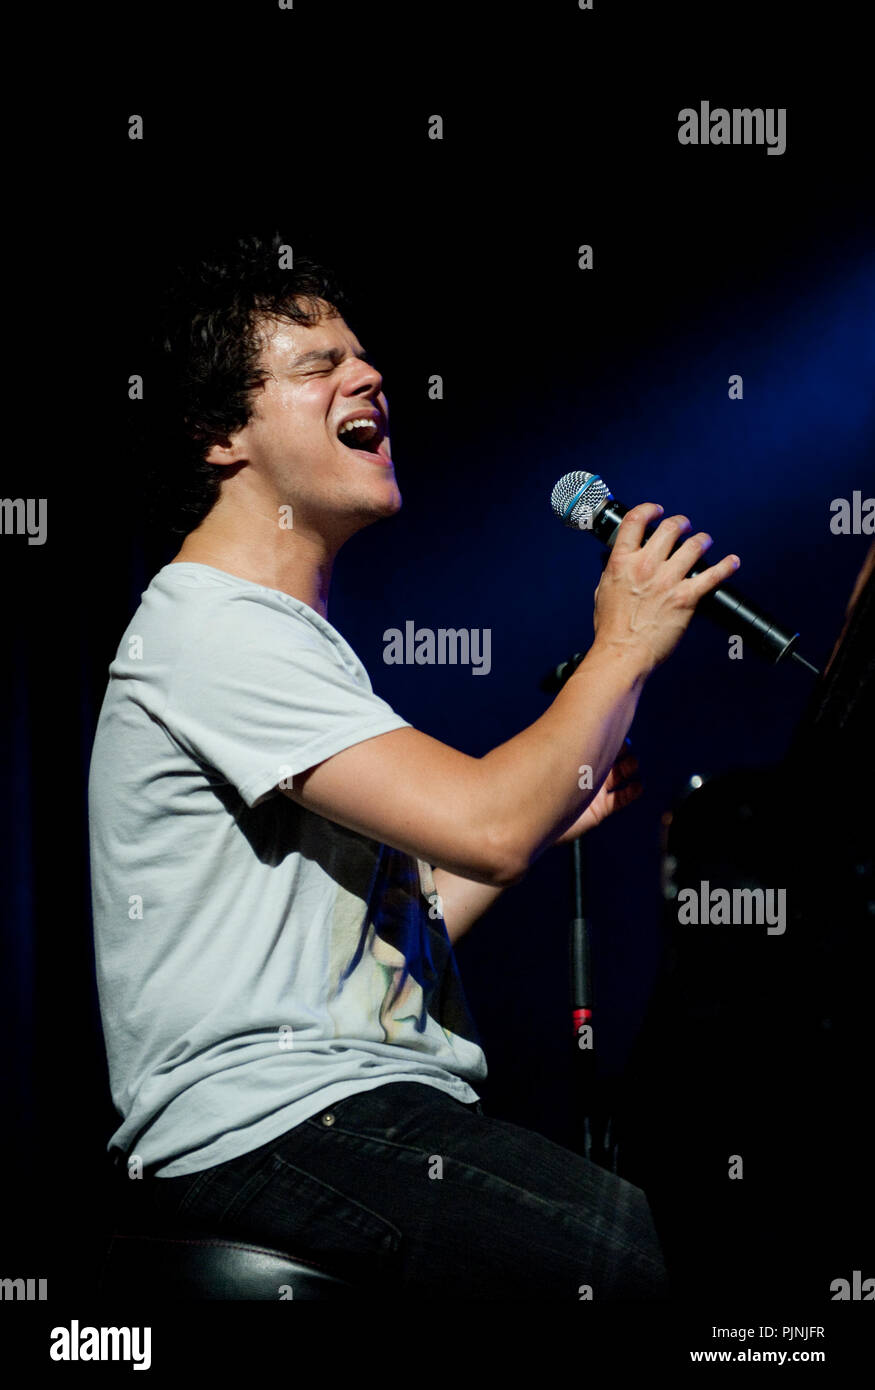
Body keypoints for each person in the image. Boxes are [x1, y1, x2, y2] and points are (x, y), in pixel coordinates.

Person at [88, 233, 740, 1301]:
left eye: (366, 360)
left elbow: (389, 933)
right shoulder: (208, 624)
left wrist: (544, 817)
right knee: (642, 1258)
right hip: (277, 1122)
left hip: (349, 1102)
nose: (370, 378)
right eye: (317, 366)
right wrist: (620, 643)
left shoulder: (280, 637)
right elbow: (485, 820)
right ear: (219, 434)